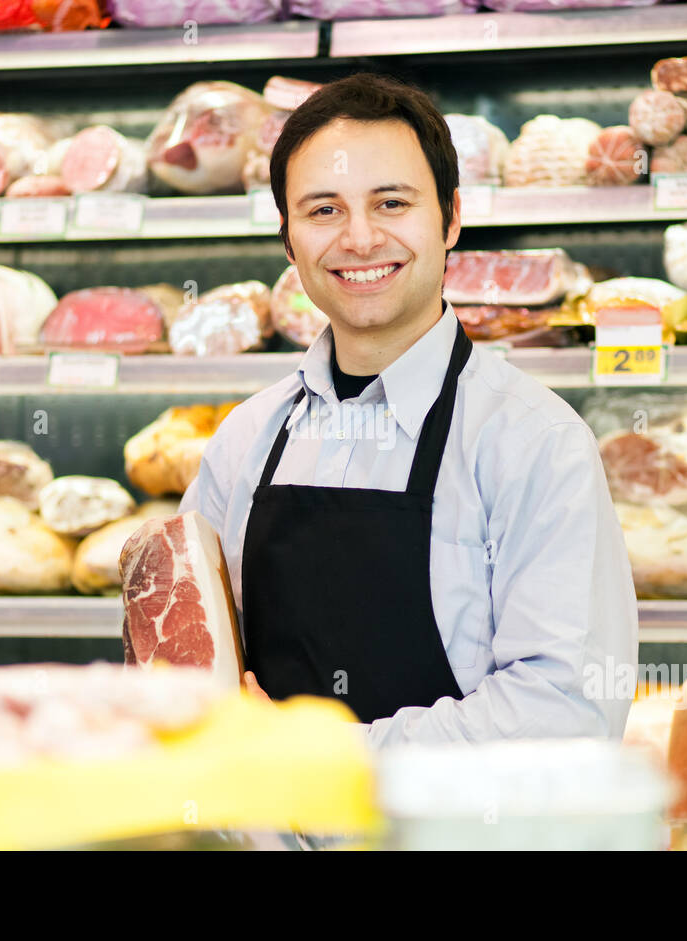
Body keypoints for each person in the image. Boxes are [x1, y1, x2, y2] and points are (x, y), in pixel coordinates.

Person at [178, 72, 637, 747]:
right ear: (288, 239)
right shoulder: (246, 439)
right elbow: (186, 657)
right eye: (323, 210)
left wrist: (331, 757)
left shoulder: (533, 443)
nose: (360, 239)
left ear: (450, 217)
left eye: (391, 203)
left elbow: (566, 714)